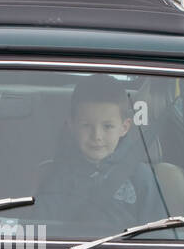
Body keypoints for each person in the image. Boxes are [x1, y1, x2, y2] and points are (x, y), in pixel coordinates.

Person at [35, 76, 168, 231]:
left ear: (124, 128)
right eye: (86, 125)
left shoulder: (142, 177)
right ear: (71, 126)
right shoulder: (57, 175)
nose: (97, 136)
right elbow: (42, 232)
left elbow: (157, 235)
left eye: (108, 126)